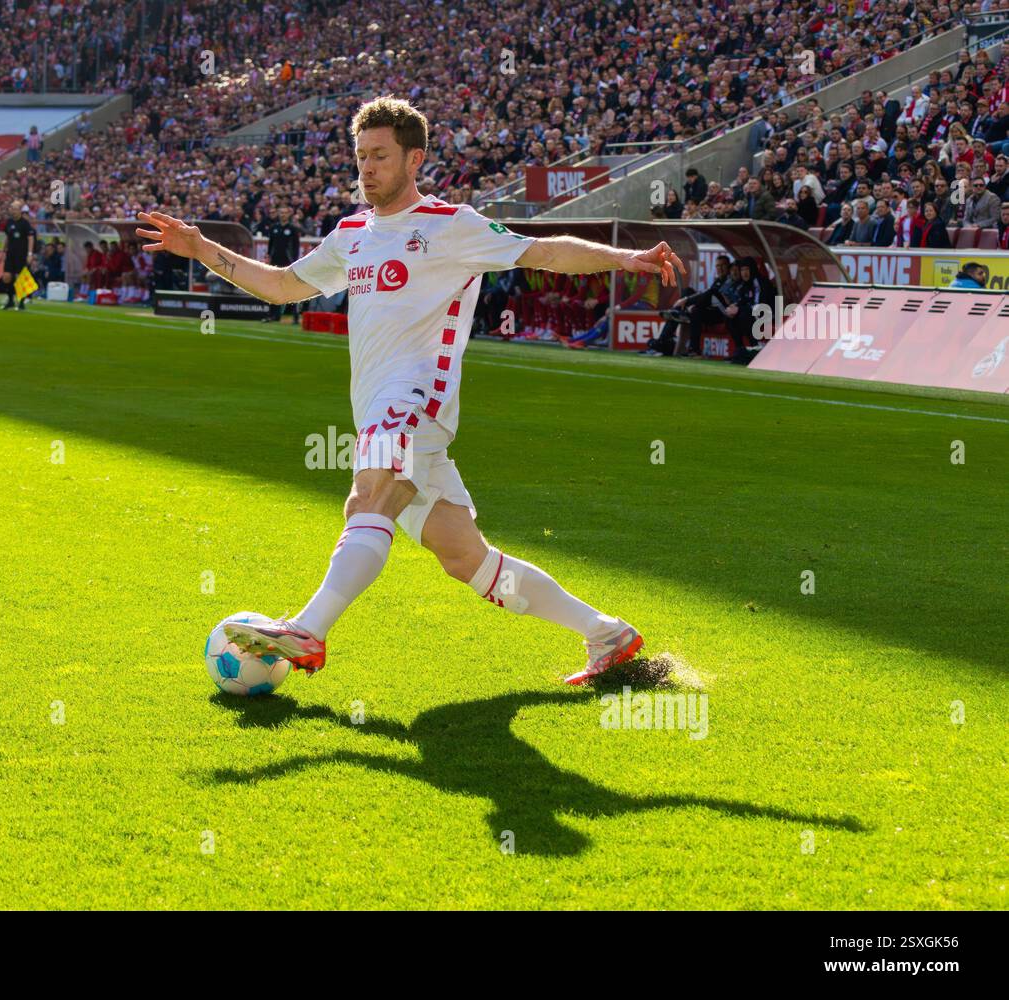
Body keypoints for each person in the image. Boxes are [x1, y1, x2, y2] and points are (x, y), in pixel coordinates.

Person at [134, 96, 685, 687]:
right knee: (468, 559)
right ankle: (609, 634)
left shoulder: (452, 226)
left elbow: (545, 250)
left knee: (368, 498)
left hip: (414, 400)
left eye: (380, 156)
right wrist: (202, 250)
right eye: (360, 156)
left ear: (414, 158)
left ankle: (309, 630)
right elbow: (280, 286)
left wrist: (628, 256)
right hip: (379, 410)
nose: (367, 168)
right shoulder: (352, 234)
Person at [0, 203, 37, 310]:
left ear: (20, 211)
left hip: (22, 254)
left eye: (15, 209)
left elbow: (31, 238)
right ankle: (10, 300)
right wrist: (3, 249)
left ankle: (21, 302)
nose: (13, 211)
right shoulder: (9, 222)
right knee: (6, 277)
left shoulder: (25, 223)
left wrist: (30, 254)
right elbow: (7, 236)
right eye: (11, 208)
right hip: (10, 254)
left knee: (20, 278)